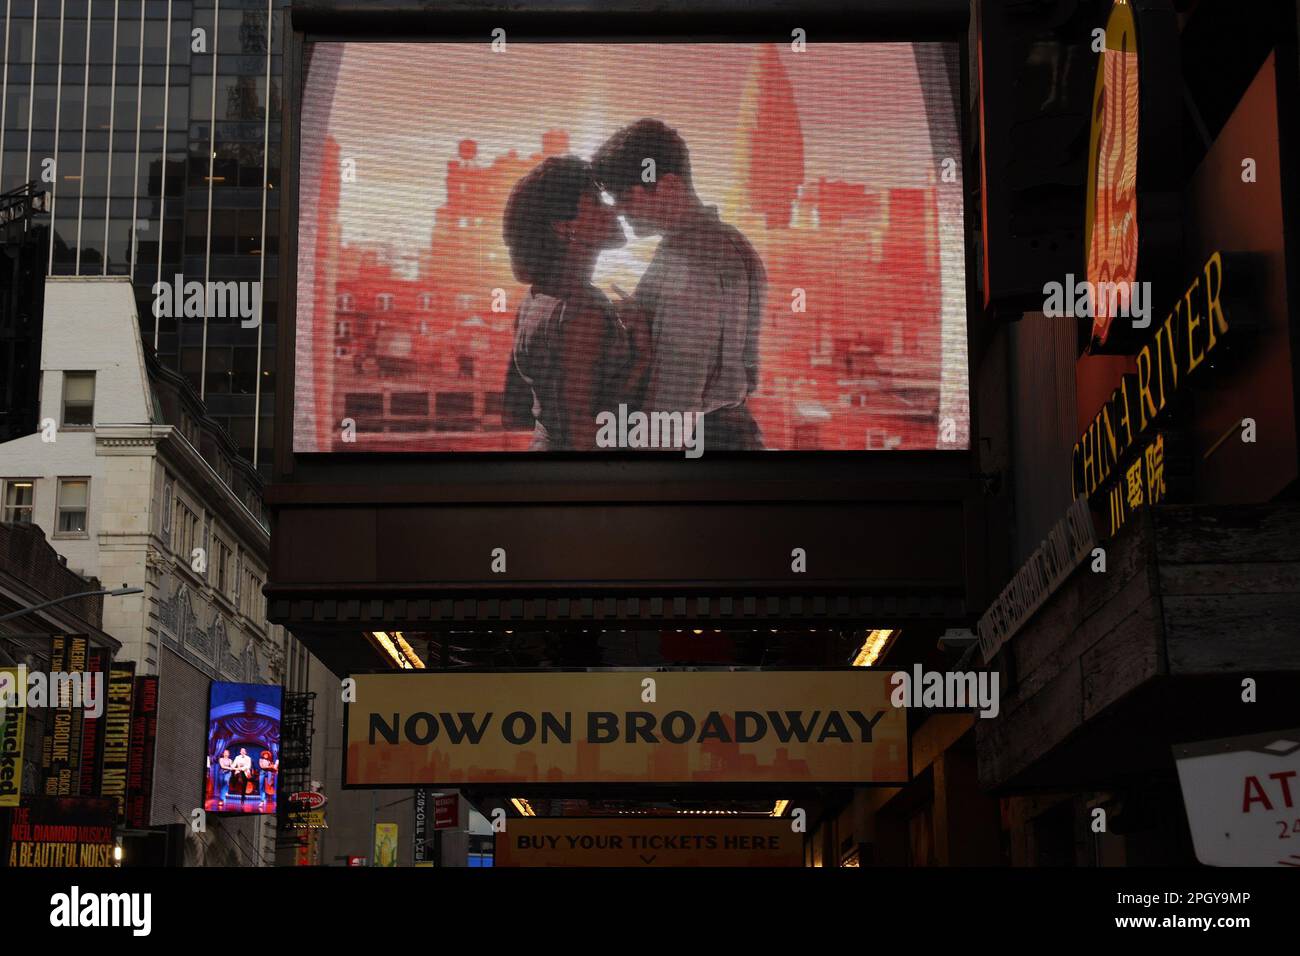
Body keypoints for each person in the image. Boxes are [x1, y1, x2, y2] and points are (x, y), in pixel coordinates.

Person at [593, 118, 767, 449]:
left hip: (693, 442)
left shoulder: (689, 261)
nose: (618, 210)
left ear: (669, 185)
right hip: (727, 435)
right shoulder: (733, 242)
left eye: (625, 196)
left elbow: (676, 395)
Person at [503, 156, 649, 450]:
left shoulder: (534, 300)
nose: (615, 208)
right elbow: (581, 432)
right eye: (596, 202)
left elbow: (574, 405)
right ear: (565, 227)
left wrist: (640, 354)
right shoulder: (584, 307)